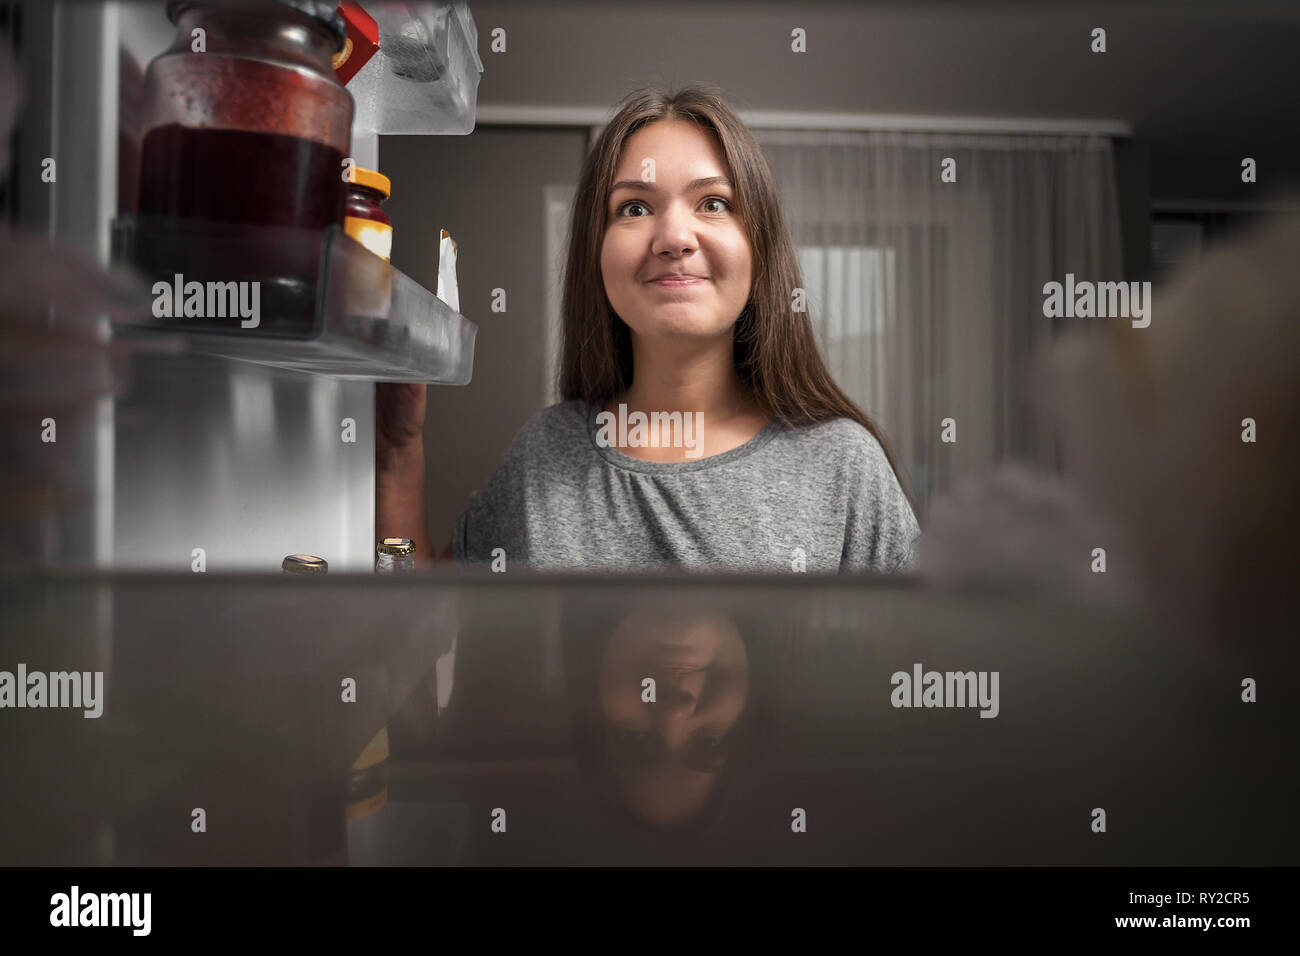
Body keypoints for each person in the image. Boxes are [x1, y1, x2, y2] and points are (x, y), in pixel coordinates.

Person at [377, 85, 920, 573]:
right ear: (597, 252)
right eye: (634, 207)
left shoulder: (844, 466)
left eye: (714, 203)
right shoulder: (544, 454)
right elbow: (426, 629)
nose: (674, 237)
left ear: (761, 248)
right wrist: (398, 456)